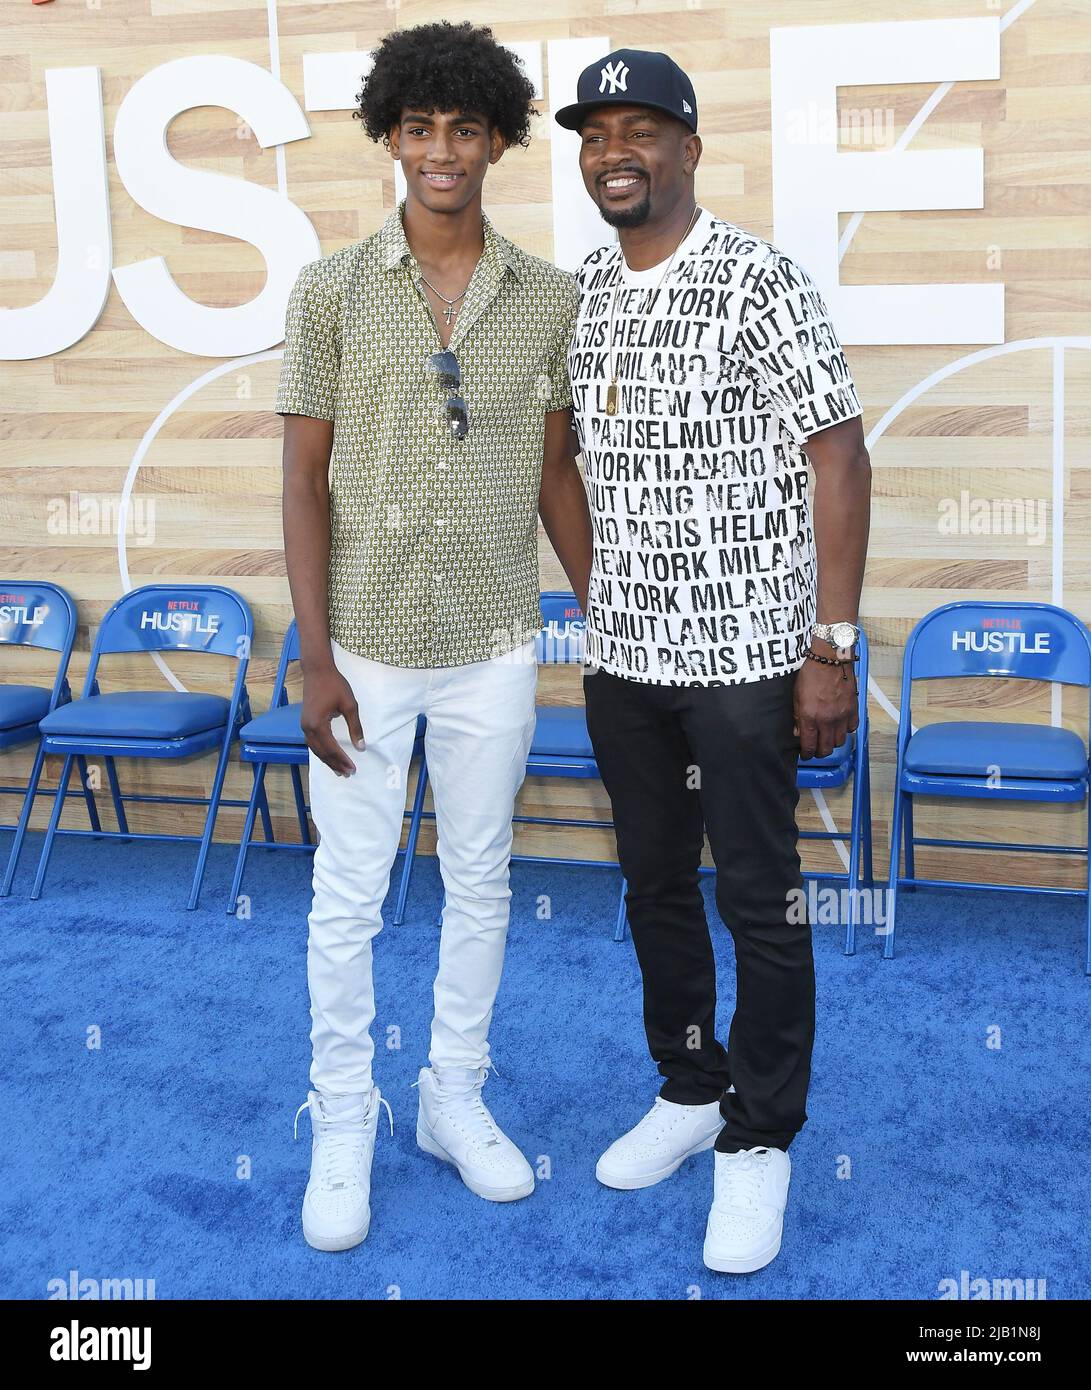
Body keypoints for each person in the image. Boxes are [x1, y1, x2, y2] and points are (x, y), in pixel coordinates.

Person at [276, 20, 591, 1251]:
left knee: (480, 882)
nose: (441, 150)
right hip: (359, 646)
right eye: (419, 128)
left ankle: (449, 1096)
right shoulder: (330, 290)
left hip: (493, 644)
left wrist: (604, 602)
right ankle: (342, 1115)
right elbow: (303, 482)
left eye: (465, 128)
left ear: (499, 139)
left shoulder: (547, 298)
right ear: (390, 136)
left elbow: (557, 472)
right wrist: (312, 657)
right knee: (346, 896)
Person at [557, 48, 871, 1274]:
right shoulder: (580, 288)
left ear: (688, 147)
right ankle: (689, 1088)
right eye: (594, 133)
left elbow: (836, 457)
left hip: (748, 654)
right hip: (625, 662)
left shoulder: (755, 278)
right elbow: (555, 457)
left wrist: (828, 645)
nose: (613, 150)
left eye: (639, 129)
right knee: (649, 886)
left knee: (757, 893)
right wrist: (604, 595)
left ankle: (759, 1136)